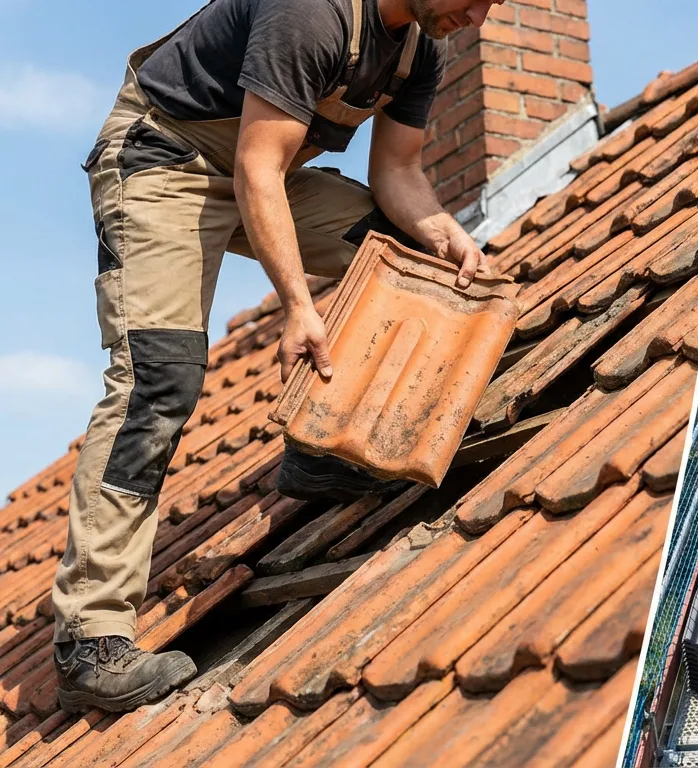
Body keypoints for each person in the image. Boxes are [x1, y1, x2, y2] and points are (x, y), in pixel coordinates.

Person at [52, 0, 505, 714]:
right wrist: (299, 304)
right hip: (162, 160)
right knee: (159, 382)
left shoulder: (421, 51)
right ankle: (91, 637)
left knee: (411, 260)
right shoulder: (312, 13)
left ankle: (324, 451)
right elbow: (257, 167)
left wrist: (443, 232)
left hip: (265, 168)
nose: (478, 16)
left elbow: (399, 172)